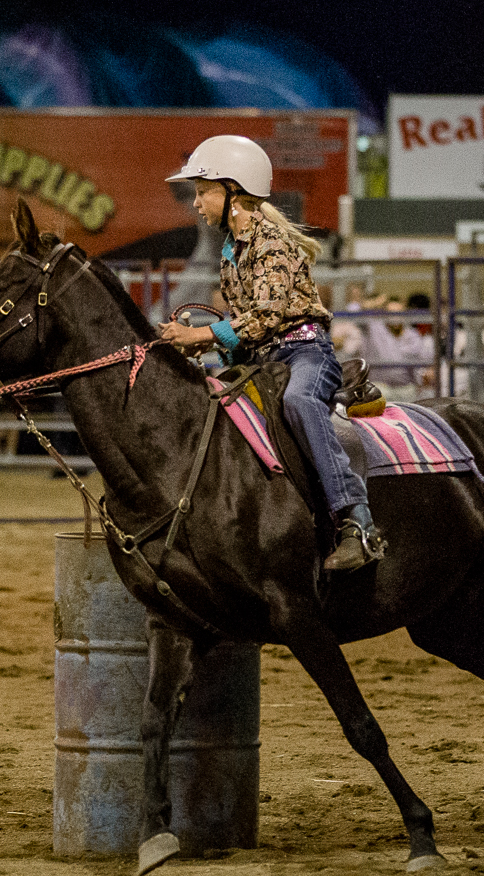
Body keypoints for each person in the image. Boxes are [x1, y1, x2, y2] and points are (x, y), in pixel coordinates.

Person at [154, 134, 383, 571]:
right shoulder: (229, 251)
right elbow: (244, 332)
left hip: (304, 354)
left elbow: (265, 315)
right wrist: (204, 349)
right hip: (261, 360)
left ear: (233, 193)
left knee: (299, 402)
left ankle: (358, 521)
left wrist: (201, 337)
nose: (197, 203)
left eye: (203, 192)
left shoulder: (272, 243)